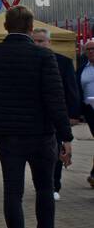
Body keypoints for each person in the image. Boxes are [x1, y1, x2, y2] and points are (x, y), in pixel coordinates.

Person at [0, 6, 73, 228]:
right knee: (44, 191)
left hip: (7, 137)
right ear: (31, 28)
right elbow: (55, 99)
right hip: (41, 136)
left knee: (12, 193)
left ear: (5, 27)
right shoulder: (43, 56)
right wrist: (66, 136)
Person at [32, 28, 83, 200]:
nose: (37, 44)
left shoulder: (62, 62)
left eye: (41, 41)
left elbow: (71, 89)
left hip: (55, 115)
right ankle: (42, 184)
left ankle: (55, 185)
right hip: (34, 116)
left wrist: (73, 114)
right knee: (37, 154)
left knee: (55, 151)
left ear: (49, 42)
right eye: (35, 41)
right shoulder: (28, 61)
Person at [79, 38, 94, 189]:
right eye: (88, 49)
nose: (90, 52)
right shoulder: (83, 69)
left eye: (93, 49)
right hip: (90, 111)